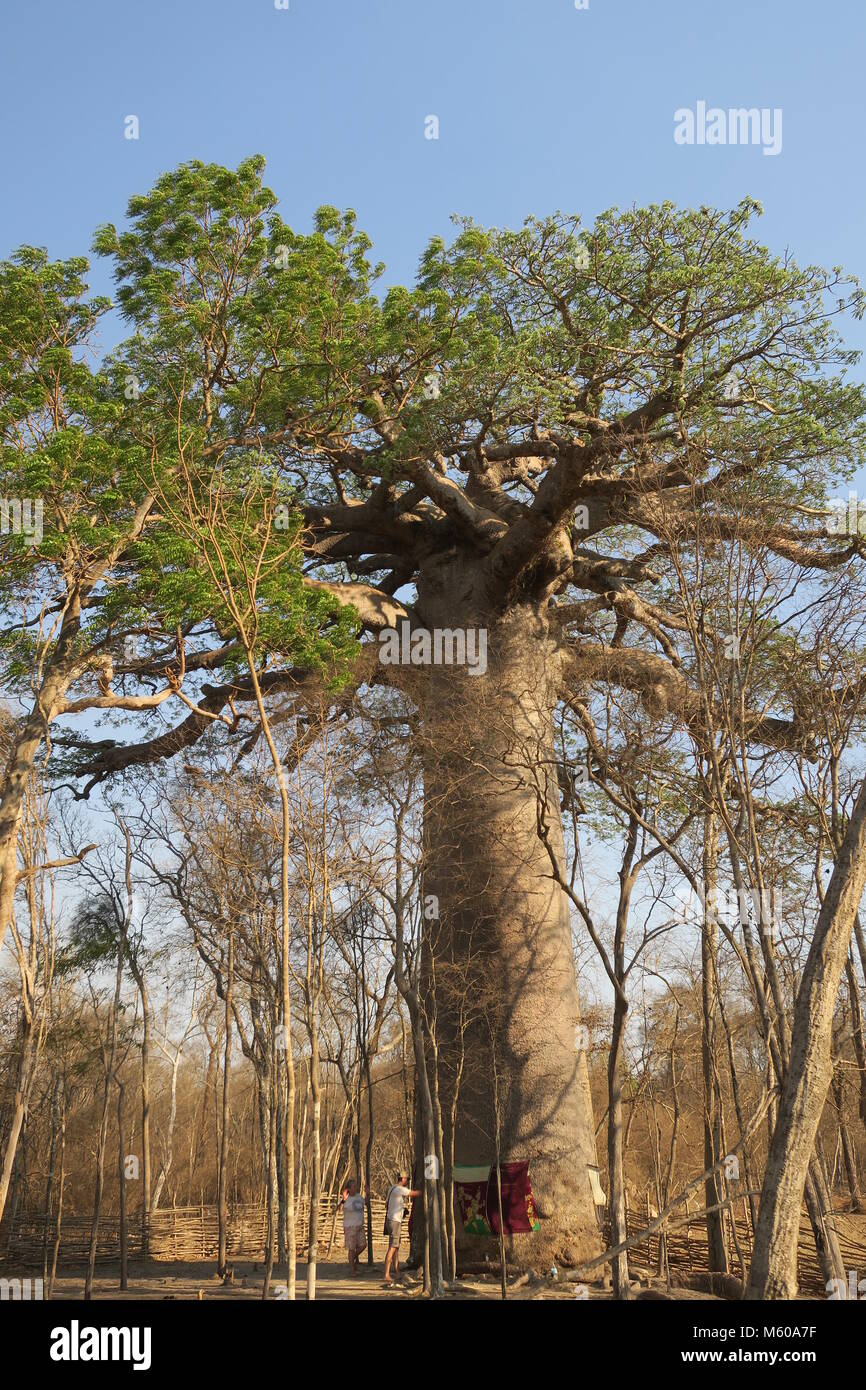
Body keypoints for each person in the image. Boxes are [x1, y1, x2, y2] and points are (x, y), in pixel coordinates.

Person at [382, 1173, 420, 1284]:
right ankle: (386, 1274)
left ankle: (397, 1271)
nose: (407, 1181)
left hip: (391, 1220)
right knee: (393, 1247)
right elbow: (413, 1193)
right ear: (402, 1179)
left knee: (396, 1247)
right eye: (407, 1179)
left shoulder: (391, 1189)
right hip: (394, 1221)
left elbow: (386, 1205)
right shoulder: (399, 1189)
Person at [340, 1179, 367, 1275]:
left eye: (356, 1186)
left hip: (359, 1225)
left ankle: (352, 1258)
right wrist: (343, 1199)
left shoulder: (359, 1197)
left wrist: (367, 1193)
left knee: (363, 1245)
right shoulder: (345, 1199)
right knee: (351, 1248)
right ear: (349, 1189)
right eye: (354, 1186)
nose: (356, 1188)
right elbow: (339, 1209)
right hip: (350, 1226)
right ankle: (352, 1270)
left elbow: (365, 1203)